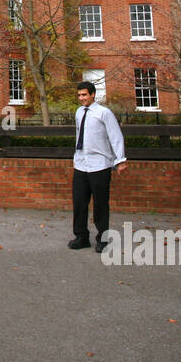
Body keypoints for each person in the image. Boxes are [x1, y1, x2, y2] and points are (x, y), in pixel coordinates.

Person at [69, 81, 128, 252]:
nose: (81, 98)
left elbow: (115, 136)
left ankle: (102, 238)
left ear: (93, 94)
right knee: (79, 202)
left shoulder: (104, 113)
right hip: (81, 164)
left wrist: (120, 160)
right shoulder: (79, 112)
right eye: (79, 95)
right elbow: (79, 136)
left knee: (101, 204)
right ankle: (81, 236)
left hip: (100, 165)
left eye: (84, 95)